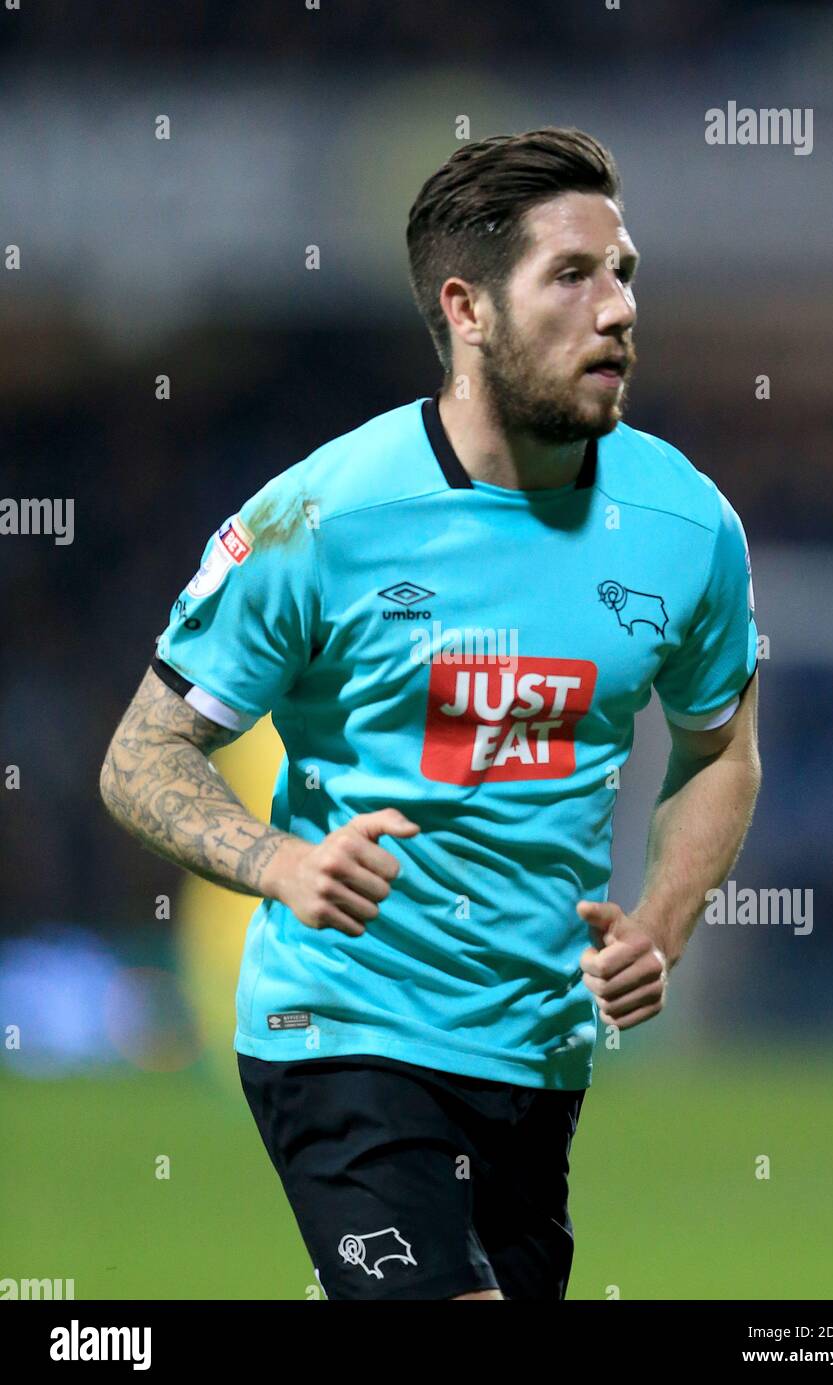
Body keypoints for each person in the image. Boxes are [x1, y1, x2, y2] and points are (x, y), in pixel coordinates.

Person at [100, 126, 761, 1301]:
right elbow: (141, 752)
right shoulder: (322, 518)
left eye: (625, 274)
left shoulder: (688, 525)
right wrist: (279, 861)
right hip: (345, 1027)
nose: (617, 310)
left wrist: (663, 918)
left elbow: (719, 752)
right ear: (466, 308)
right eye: (573, 275)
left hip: (536, 1047)